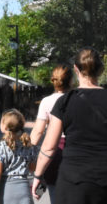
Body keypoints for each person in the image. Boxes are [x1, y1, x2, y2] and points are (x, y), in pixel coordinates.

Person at [31, 48, 107, 204]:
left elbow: (49, 146)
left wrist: (38, 176)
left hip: (73, 178)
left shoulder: (64, 102)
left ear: (76, 69)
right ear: (100, 70)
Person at [29, 63, 73, 198]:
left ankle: (43, 192)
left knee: (54, 190)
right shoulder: (78, 98)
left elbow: (37, 132)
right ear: (71, 81)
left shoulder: (47, 101)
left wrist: (27, 150)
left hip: (54, 149)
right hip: (77, 148)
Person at [0, 109, 38, 204]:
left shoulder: (0, 147)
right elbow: (32, 168)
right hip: (24, 190)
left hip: (6, 190)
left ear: (5, 127)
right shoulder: (29, 146)